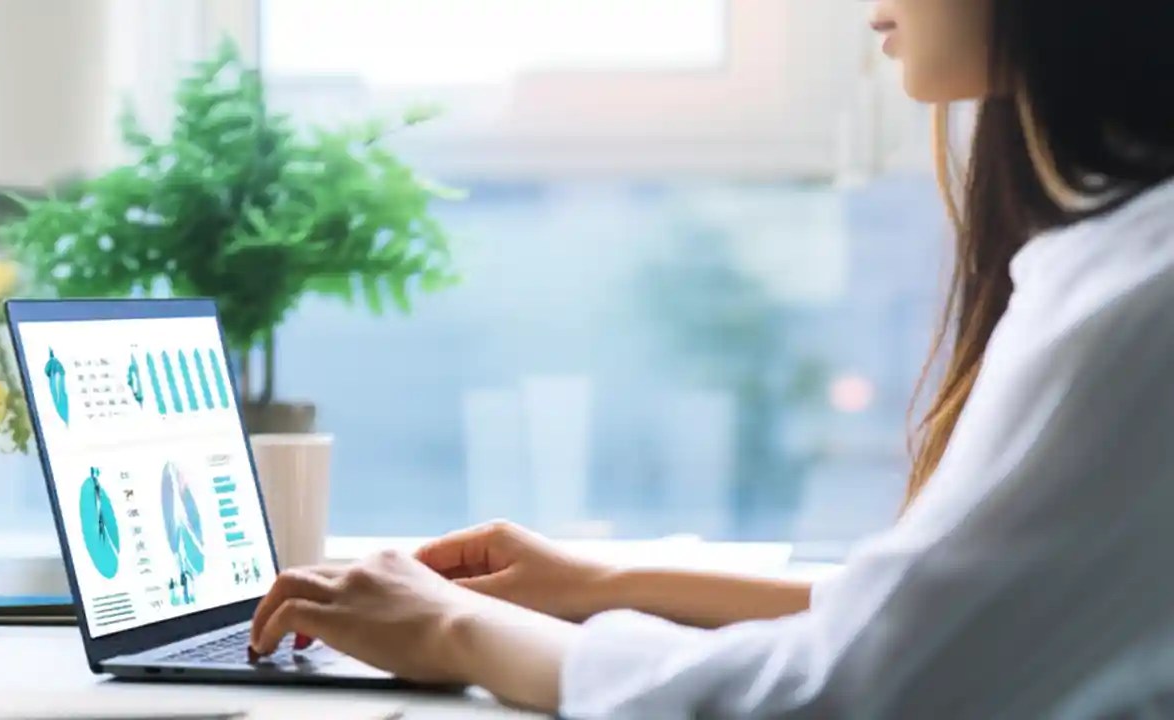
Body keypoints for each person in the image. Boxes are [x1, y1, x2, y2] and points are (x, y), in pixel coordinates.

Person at [250, 0, 1174, 716]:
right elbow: (957, 615)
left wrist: (454, 628)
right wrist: (598, 585)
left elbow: (852, 690)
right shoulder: (1118, 259)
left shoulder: (1141, 299)